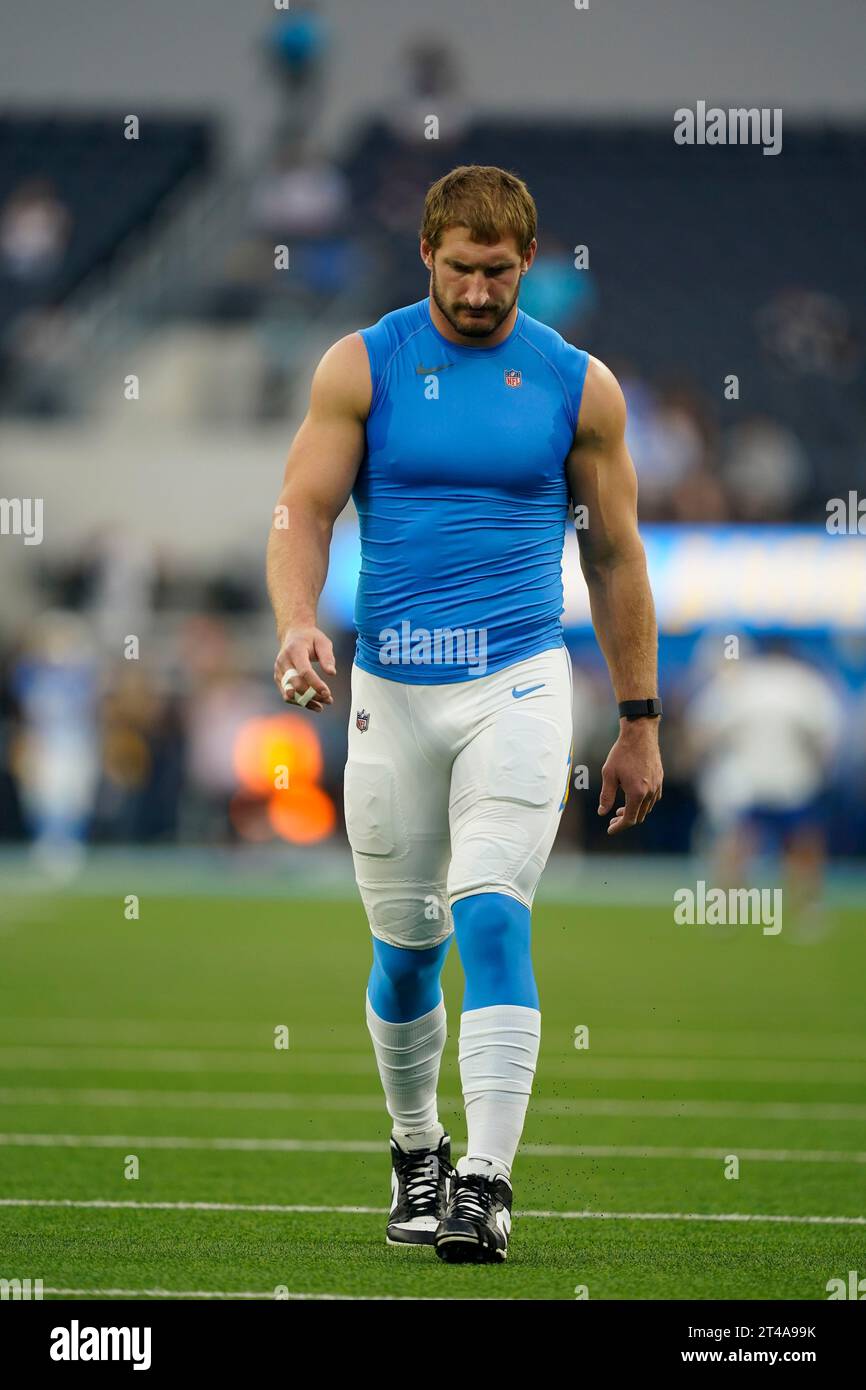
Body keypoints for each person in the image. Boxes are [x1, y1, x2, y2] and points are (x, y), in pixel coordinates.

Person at [266, 165, 663, 1264]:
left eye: (497, 274)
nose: (478, 294)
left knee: (492, 912)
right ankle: (416, 1146)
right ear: (426, 253)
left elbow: (616, 556)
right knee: (404, 953)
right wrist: (300, 619)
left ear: (525, 264)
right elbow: (299, 507)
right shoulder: (365, 364)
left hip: (519, 680)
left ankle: (484, 1181)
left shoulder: (576, 384)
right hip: (391, 689)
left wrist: (639, 718)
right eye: (459, 270)